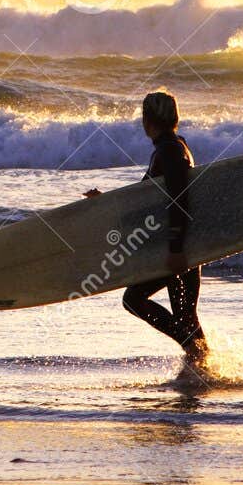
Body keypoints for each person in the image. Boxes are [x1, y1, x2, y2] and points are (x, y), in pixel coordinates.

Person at [87, 90, 207, 362]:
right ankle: (202, 366)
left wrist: (176, 249)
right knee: (185, 317)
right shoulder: (172, 147)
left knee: (134, 300)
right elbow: (144, 199)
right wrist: (105, 201)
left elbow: (179, 200)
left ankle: (197, 356)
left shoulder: (170, 151)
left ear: (147, 120)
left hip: (177, 246)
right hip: (180, 243)